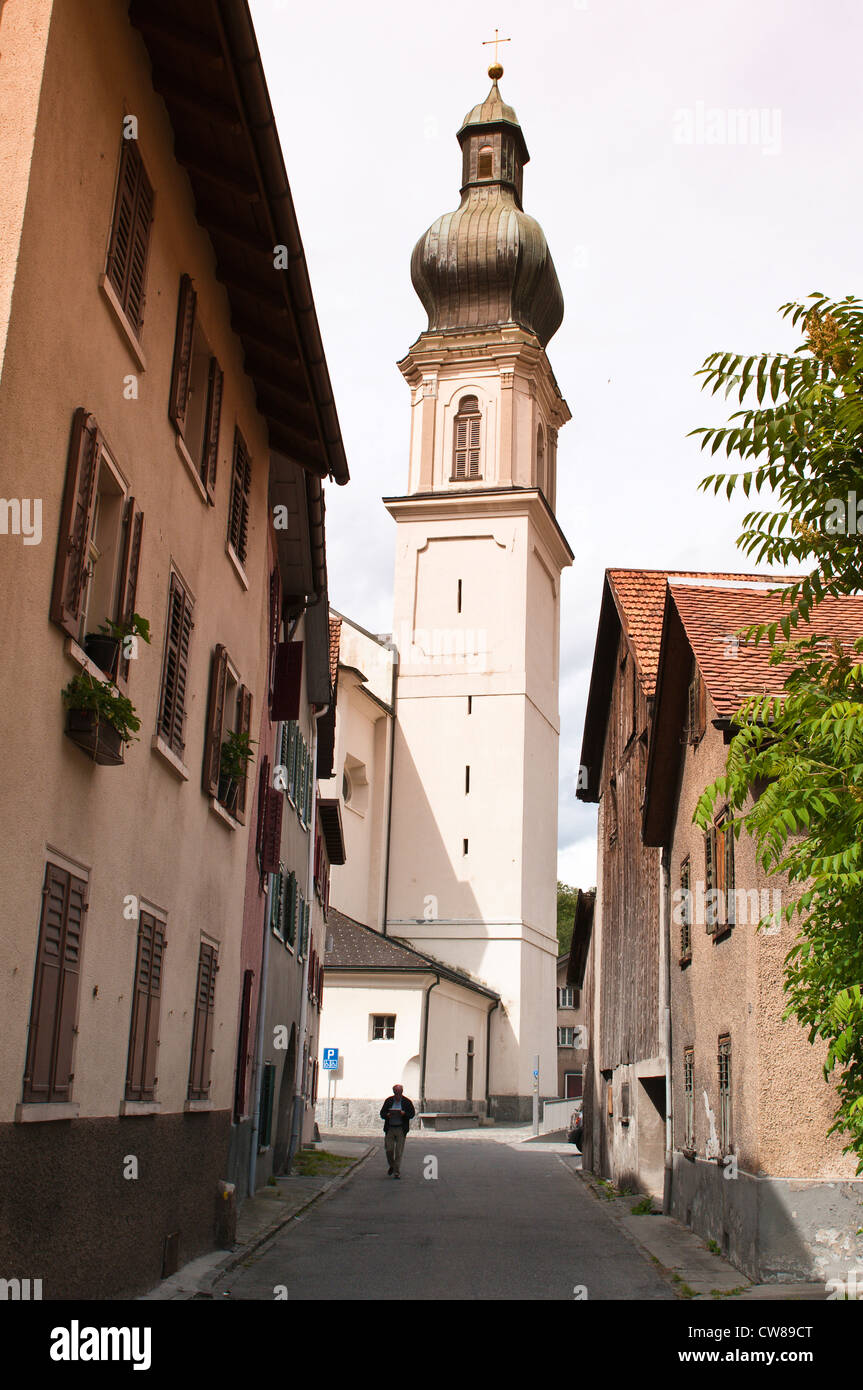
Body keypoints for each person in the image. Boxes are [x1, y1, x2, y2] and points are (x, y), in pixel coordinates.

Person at [380, 1083, 415, 1178]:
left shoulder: (407, 1102)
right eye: (396, 1093)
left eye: (399, 1093)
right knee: (389, 1150)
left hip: (401, 1128)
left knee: (398, 1151)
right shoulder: (389, 1101)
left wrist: (404, 1113)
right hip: (390, 1128)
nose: (397, 1095)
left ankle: (396, 1172)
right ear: (393, 1092)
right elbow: (382, 1113)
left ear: (402, 1093)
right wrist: (387, 1115)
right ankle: (392, 1165)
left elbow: (412, 1114)